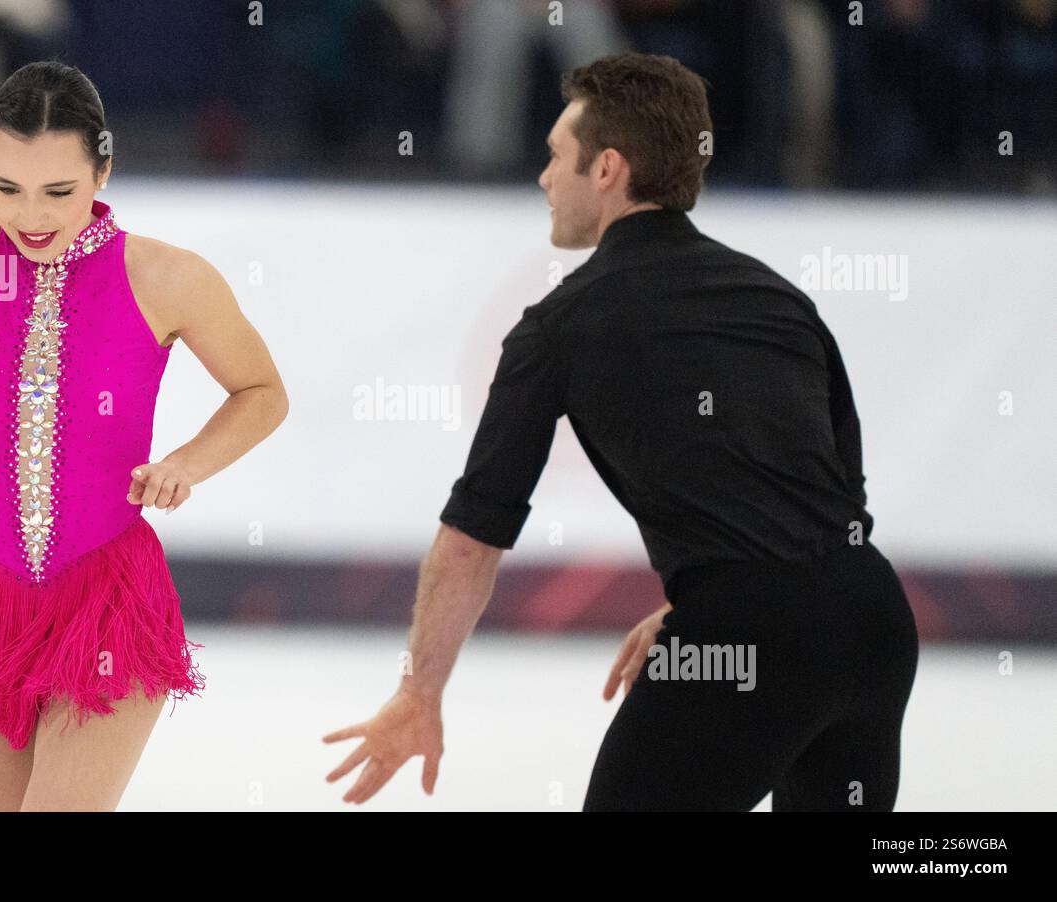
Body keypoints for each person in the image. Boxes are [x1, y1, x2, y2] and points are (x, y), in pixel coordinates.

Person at [323, 52, 918, 811]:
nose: (543, 178)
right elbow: (834, 498)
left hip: (747, 639)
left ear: (606, 168)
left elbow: (473, 535)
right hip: (873, 624)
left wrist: (419, 693)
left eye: (554, 157)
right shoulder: (779, 301)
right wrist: (700, 602)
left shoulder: (559, 328)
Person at [0, 60, 288, 811]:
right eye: (6, 188)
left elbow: (263, 392)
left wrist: (190, 461)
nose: (30, 217)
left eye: (59, 191)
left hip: (107, 601)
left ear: (104, 169)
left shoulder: (167, 276)